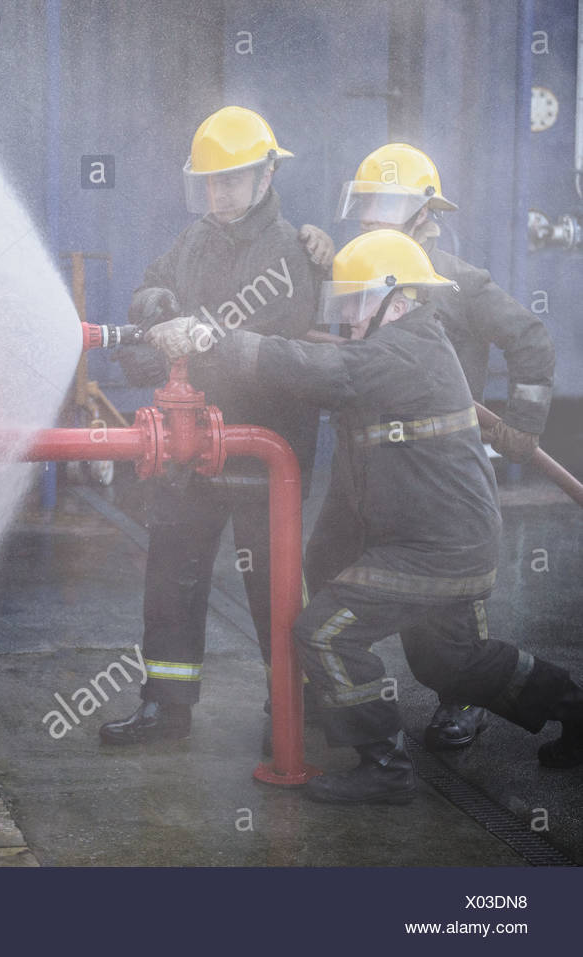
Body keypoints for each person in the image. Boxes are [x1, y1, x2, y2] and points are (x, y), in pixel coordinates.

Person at [146, 230, 582, 803]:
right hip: (445, 542)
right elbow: (324, 363)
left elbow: (320, 370)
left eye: (356, 305)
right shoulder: (403, 342)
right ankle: (574, 708)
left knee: (322, 632)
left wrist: (213, 340)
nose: (347, 319)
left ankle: (386, 765)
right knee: (455, 660)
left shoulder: (403, 349)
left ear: (396, 301)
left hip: (434, 550)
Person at [302, 144, 556, 751]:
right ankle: (332, 688)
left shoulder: (460, 283)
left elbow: (531, 338)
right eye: (364, 204)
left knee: (444, 617)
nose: (368, 217)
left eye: (383, 205)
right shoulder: (354, 266)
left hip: (434, 472)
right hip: (362, 464)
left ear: (423, 213)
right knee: (325, 569)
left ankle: (460, 701)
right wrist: (309, 250)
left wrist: (522, 424)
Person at [99, 106, 320, 747]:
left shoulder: (288, 254)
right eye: (211, 182)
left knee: (273, 590)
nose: (219, 193)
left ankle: (290, 712)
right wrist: (161, 312)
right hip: (194, 452)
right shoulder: (198, 238)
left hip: (260, 453)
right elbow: (152, 287)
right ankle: (166, 710)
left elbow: (255, 347)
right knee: (172, 574)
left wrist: (179, 345)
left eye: (232, 179)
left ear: (267, 174)